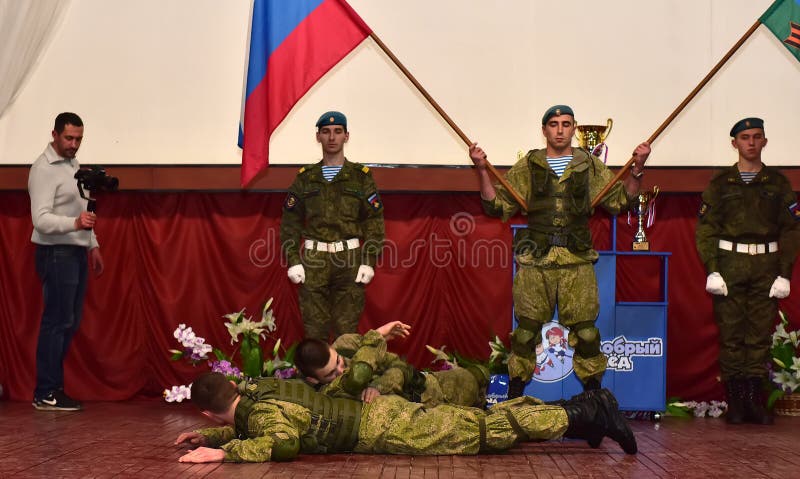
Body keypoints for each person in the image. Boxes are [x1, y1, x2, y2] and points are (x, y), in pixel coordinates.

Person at [469, 105, 651, 398]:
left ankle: (594, 399)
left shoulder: (588, 165)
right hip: (536, 260)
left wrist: (638, 169)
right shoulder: (530, 165)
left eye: (566, 124)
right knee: (526, 333)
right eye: (553, 124)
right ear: (544, 130)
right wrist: (481, 170)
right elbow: (497, 205)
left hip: (575, 260)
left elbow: (620, 202)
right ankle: (515, 397)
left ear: (573, 128)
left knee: (588, 334)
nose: (560, 130)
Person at [173, 372, 637, 463]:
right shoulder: (257, 388)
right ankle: (585, 419)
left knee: (484, 430)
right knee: (478, 424)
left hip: (387, 427)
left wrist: (225, 450)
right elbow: (261, 420)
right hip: (384, 417)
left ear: (205, 405)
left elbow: (282, 441)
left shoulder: (258, 415)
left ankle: (589, 409)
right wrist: (211, 434)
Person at [695, 117, 800, 425]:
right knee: (730, 335)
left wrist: (785, 273)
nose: (751, 143)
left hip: (766, 267)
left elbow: (791, 230)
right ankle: (736, 403)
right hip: (729, 266)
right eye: (745, 137)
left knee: (758, 336)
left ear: (764, 142)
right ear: (735, 144)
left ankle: (754, 401)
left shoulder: (778, 184)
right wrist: (711, 270)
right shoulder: (720, 183)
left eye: (757, 137)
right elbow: (706, 229)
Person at [280, 111, 385, 341]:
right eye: (326, 132)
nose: (332, 137)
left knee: (346, 333)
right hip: (314, 260)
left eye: (338, 131)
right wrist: (294, 262)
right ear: (317, 136)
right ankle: (317, 378)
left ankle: (343, 376)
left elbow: (374, 223)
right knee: (314, 332)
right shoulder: (305, 178)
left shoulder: (361, 177)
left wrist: (369, 262)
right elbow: (290, 223)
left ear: (347, 136)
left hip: (349, 260)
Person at [28, 112, 105, 411]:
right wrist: (75, 224)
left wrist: (93, 244)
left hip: (74, 250)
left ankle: (53, 388)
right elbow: (40, 219)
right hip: (55, 253)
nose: (74, 144)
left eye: (79, 139)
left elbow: (83, 210)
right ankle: (45, 391)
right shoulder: (43, 169)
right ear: (55, 134)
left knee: (67, 323)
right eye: (69, 138)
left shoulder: (72, 165)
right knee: (57, 323)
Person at [294, 321, 489, 408]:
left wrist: (378, 386)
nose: (340, 370)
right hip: (420, 411)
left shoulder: (346, 344)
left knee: (474, 378)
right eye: (331, 374)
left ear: (331, 347)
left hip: (429, 386)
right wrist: (378, 335)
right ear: (313, 379)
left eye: (338, 361)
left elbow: (398, 365)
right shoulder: (326, 395)